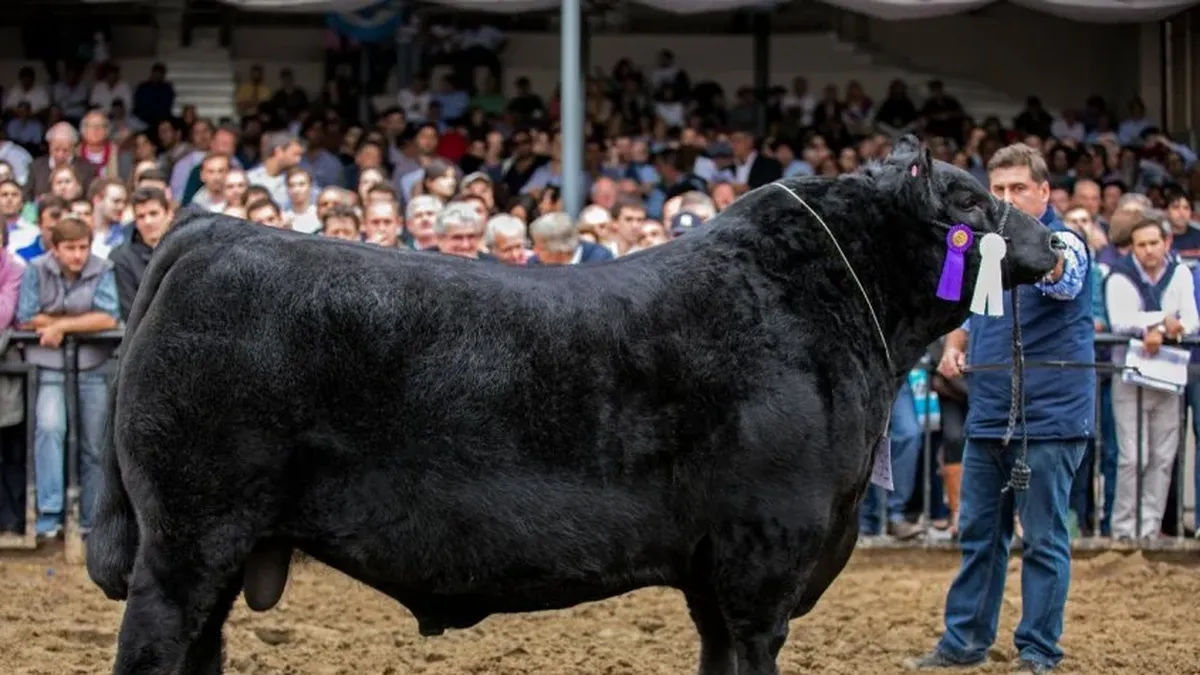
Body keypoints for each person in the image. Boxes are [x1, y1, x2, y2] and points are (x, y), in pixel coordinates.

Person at [907, 143, 1094, 674]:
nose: (1007, 199)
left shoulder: (1065, 241)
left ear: (1044, 192)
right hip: (988, 410)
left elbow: (1065, 277)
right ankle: (963, 642)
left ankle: (1038, 650)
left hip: (1050, 417)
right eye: (999, 190)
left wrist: (1027, 248)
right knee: (978, 537)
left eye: (1019, 189)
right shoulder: (981, 250)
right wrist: (955, 344)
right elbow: (966, 308)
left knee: (1043, 540)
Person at [16, 216, 120, 539]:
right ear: (55, 249)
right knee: (49, 429)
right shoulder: (36, 269)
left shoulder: (102, 268)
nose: (78, 255)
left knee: (94, 443)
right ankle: (49, 515)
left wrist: (59, 325)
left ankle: (91, 518)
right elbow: (26, 316)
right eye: (70, 248)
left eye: (83, 247)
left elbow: (108, 316)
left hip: (92, 364)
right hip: (48, 364)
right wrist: (81, 321)